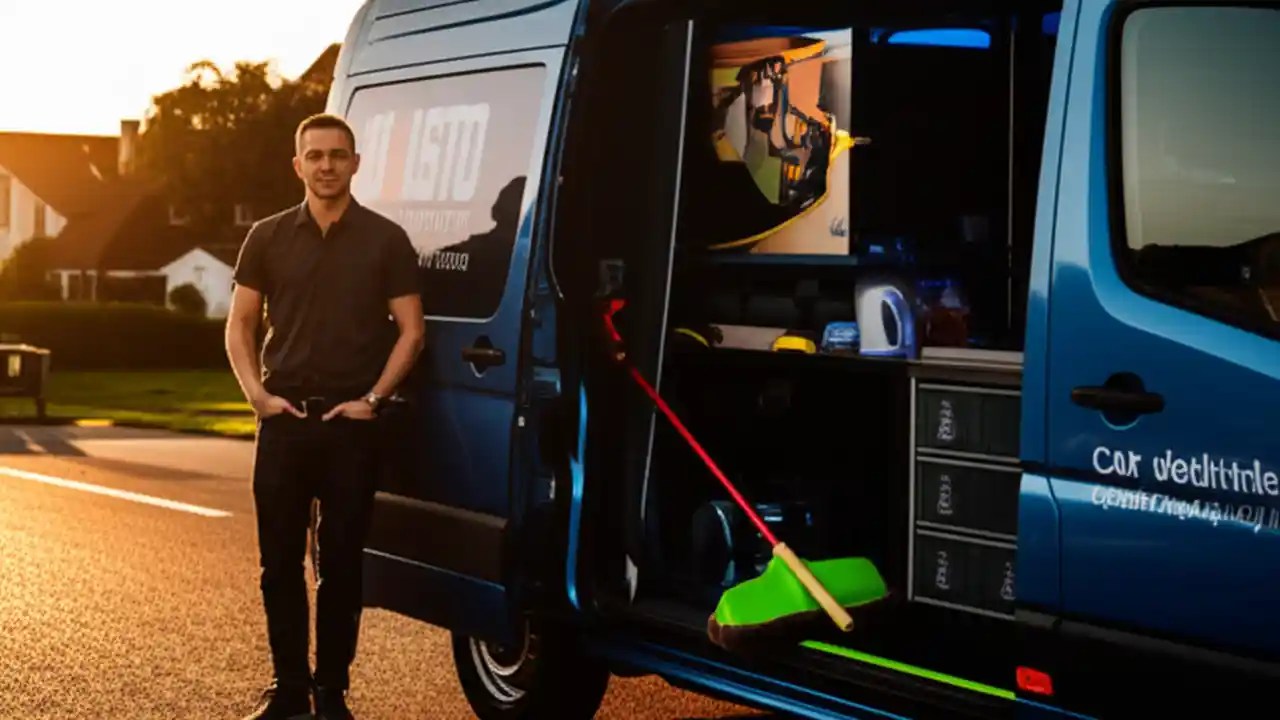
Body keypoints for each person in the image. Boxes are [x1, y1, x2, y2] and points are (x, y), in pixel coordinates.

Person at [225, 113, 425, 720]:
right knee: (278, 562)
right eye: (314, 155)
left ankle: (331, 691)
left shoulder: (386, 239)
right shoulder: (265, 236)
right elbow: (239, 324)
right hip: (283, 421)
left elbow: (412, 331)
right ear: (298, 165)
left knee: (341, 565)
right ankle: (288, 691)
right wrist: (257, 397)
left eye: (338, 155)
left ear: (355, 164)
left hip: (350, 429)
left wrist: (375, 399)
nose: (326, 165)